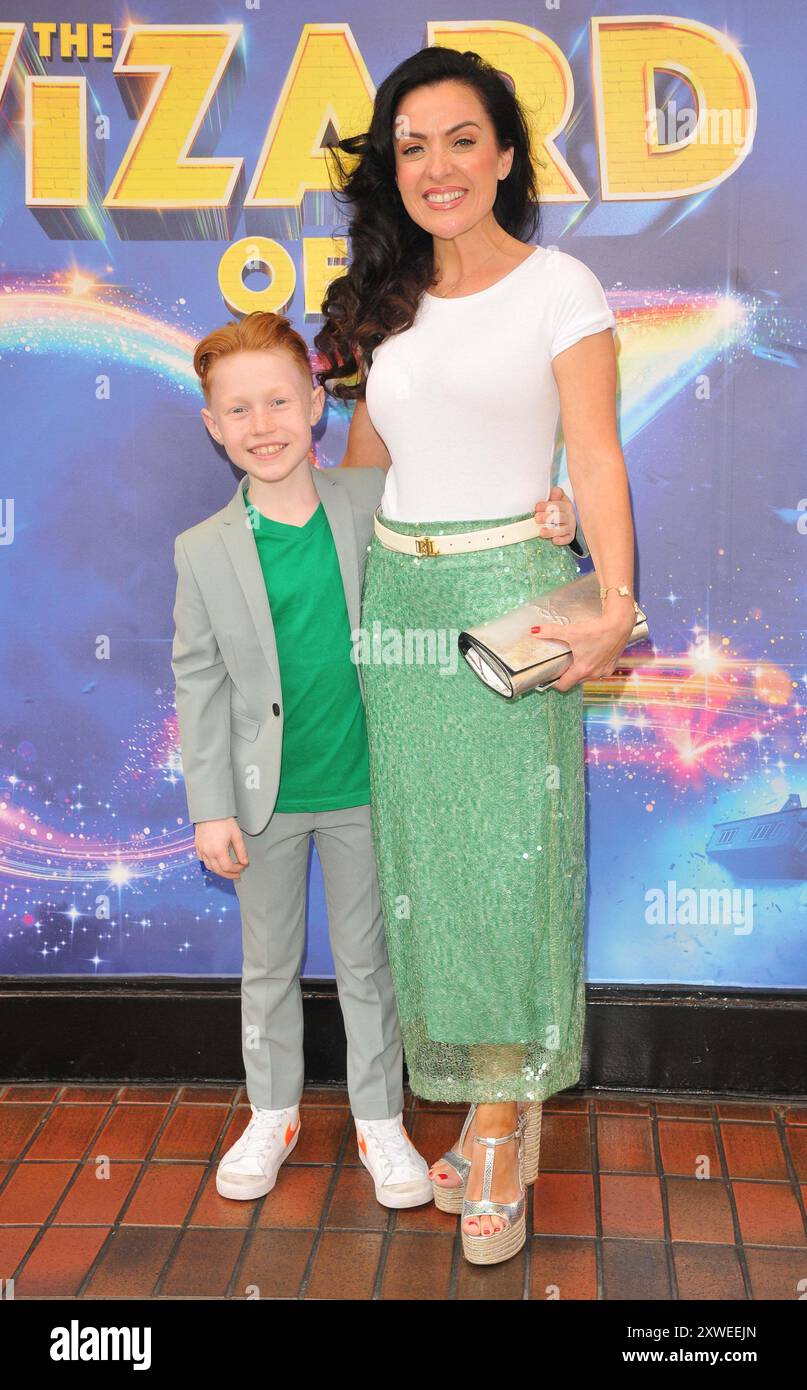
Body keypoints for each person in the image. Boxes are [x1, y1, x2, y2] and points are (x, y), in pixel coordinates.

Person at [314, 48, 637, 1264]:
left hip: (513, 602)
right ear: (390, 170)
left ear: (505, 154)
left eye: (460, 139)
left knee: (512, 862)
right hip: (396, 599)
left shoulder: (562, 286)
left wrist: (611, 596)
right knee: (431, 863)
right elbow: (362, 471)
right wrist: (314, 611)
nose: (435, 166)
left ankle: (501, 1122)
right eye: (411, 145)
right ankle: (484, 1095)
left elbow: (595, 455)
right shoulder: (384, 302)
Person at [172, 311, 583, 1211]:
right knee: (267, 966)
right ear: (212, 424)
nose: (262, 423)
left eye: (280, 399)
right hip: (261, 801)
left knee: (369, 964)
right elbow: (197, 684)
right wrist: (209, 805)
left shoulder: (375, 499)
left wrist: (552, 510)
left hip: (370, 788)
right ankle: (271, 1113)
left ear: (318, 403)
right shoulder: (201, 550)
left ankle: (378, 1123)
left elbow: (467, 512)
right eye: (237, 410)